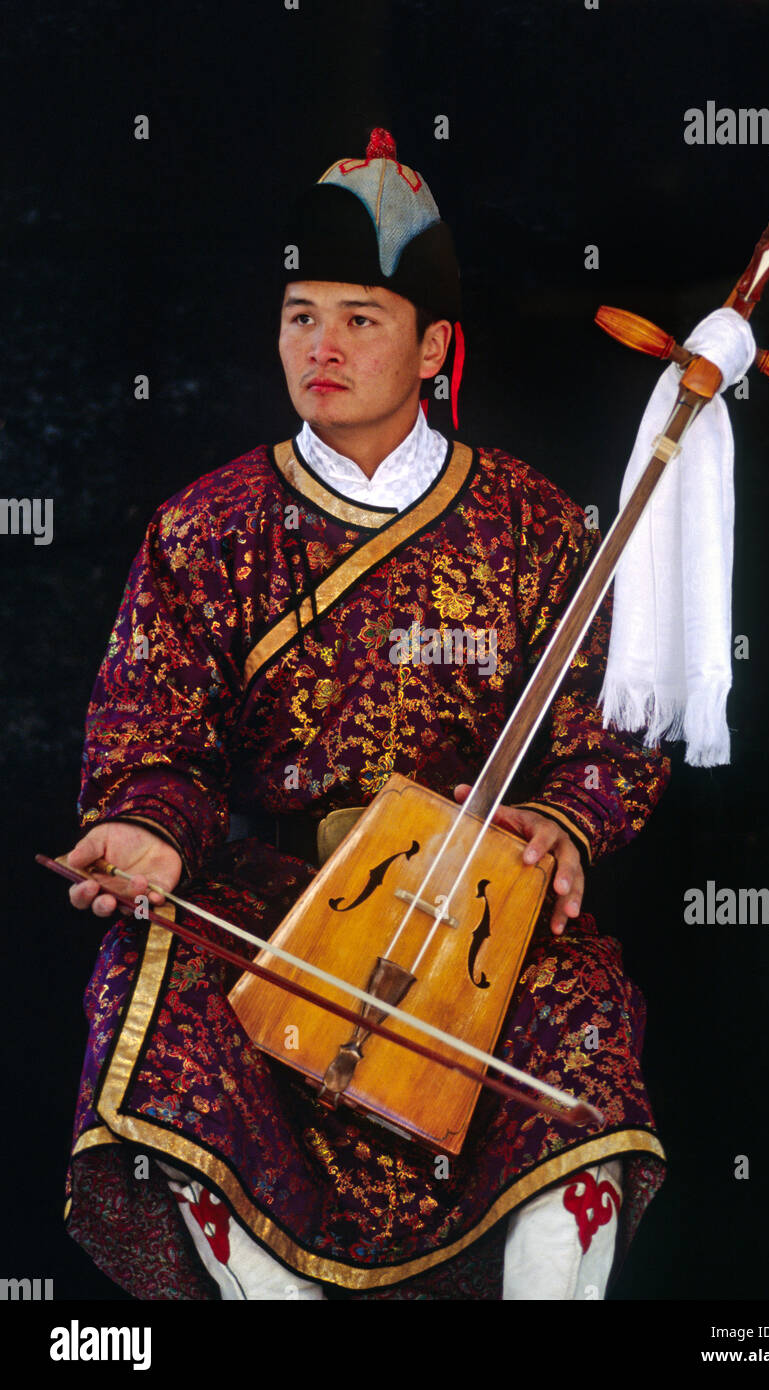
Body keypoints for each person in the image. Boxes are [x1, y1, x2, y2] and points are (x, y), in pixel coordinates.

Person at [63, 128, 670, 1300]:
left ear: (434, 344)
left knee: (581, 1005)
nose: (321, 346)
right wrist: (150, 824)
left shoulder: (536, 526)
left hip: (470, 910)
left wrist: (564, 823)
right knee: (151, 981)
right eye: (300, 315)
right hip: (271, 899)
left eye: (359, 318)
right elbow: (154, 730)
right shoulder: (208, 526)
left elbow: (610, 723)